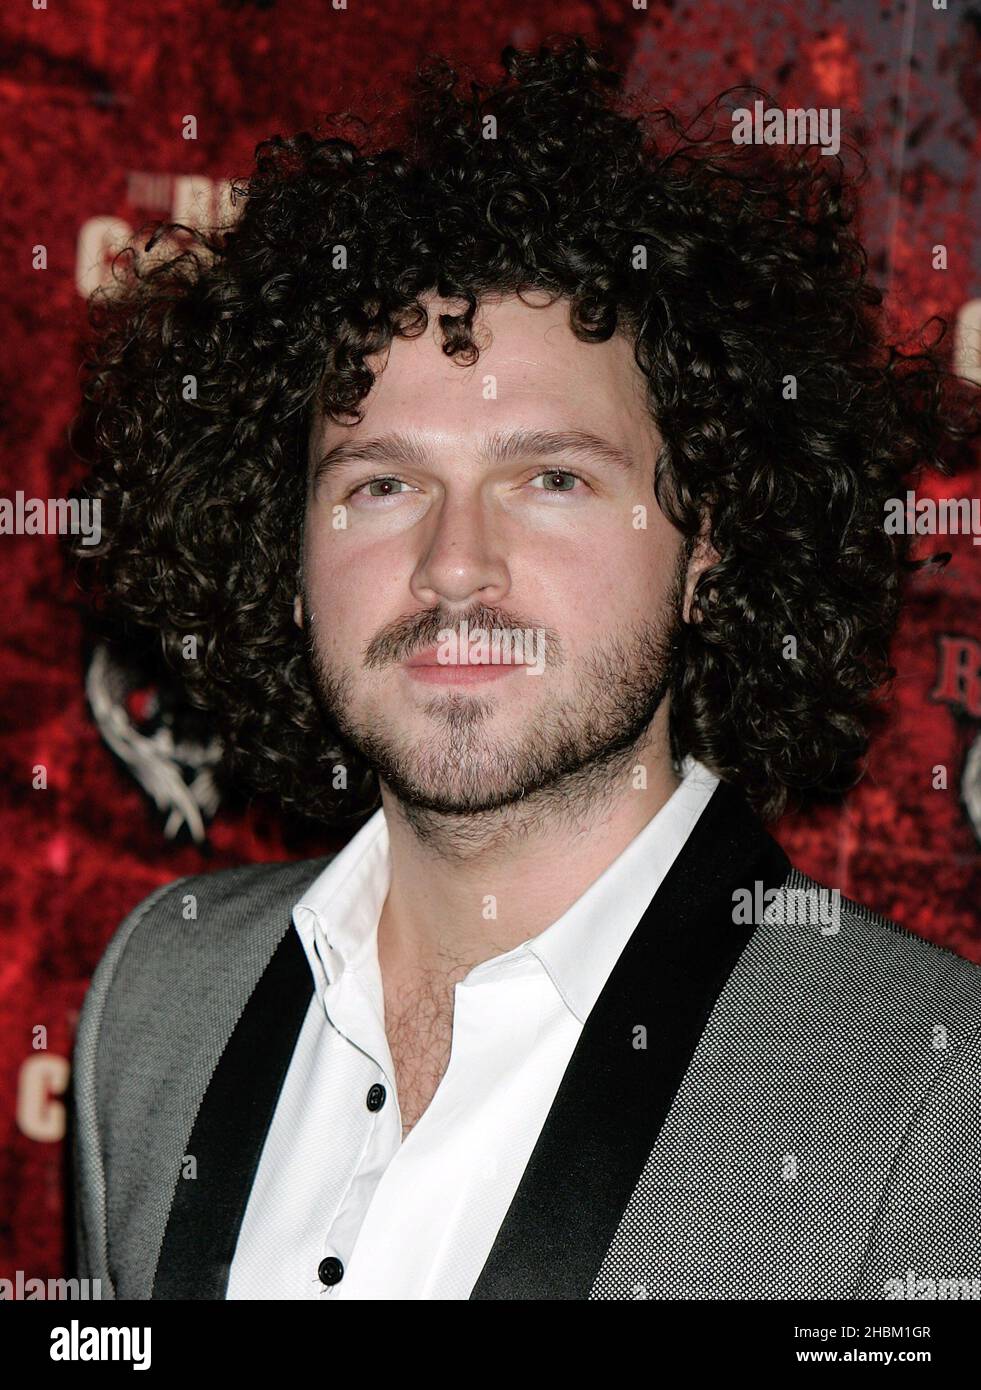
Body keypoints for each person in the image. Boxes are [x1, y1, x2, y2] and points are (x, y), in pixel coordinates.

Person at [69, 36, 981, 1301]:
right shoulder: (156, 1002)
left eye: (551, 478)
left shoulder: (932, 1098)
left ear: (707, 537)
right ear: (283, 551)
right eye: (384, 484)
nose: (455, 566)